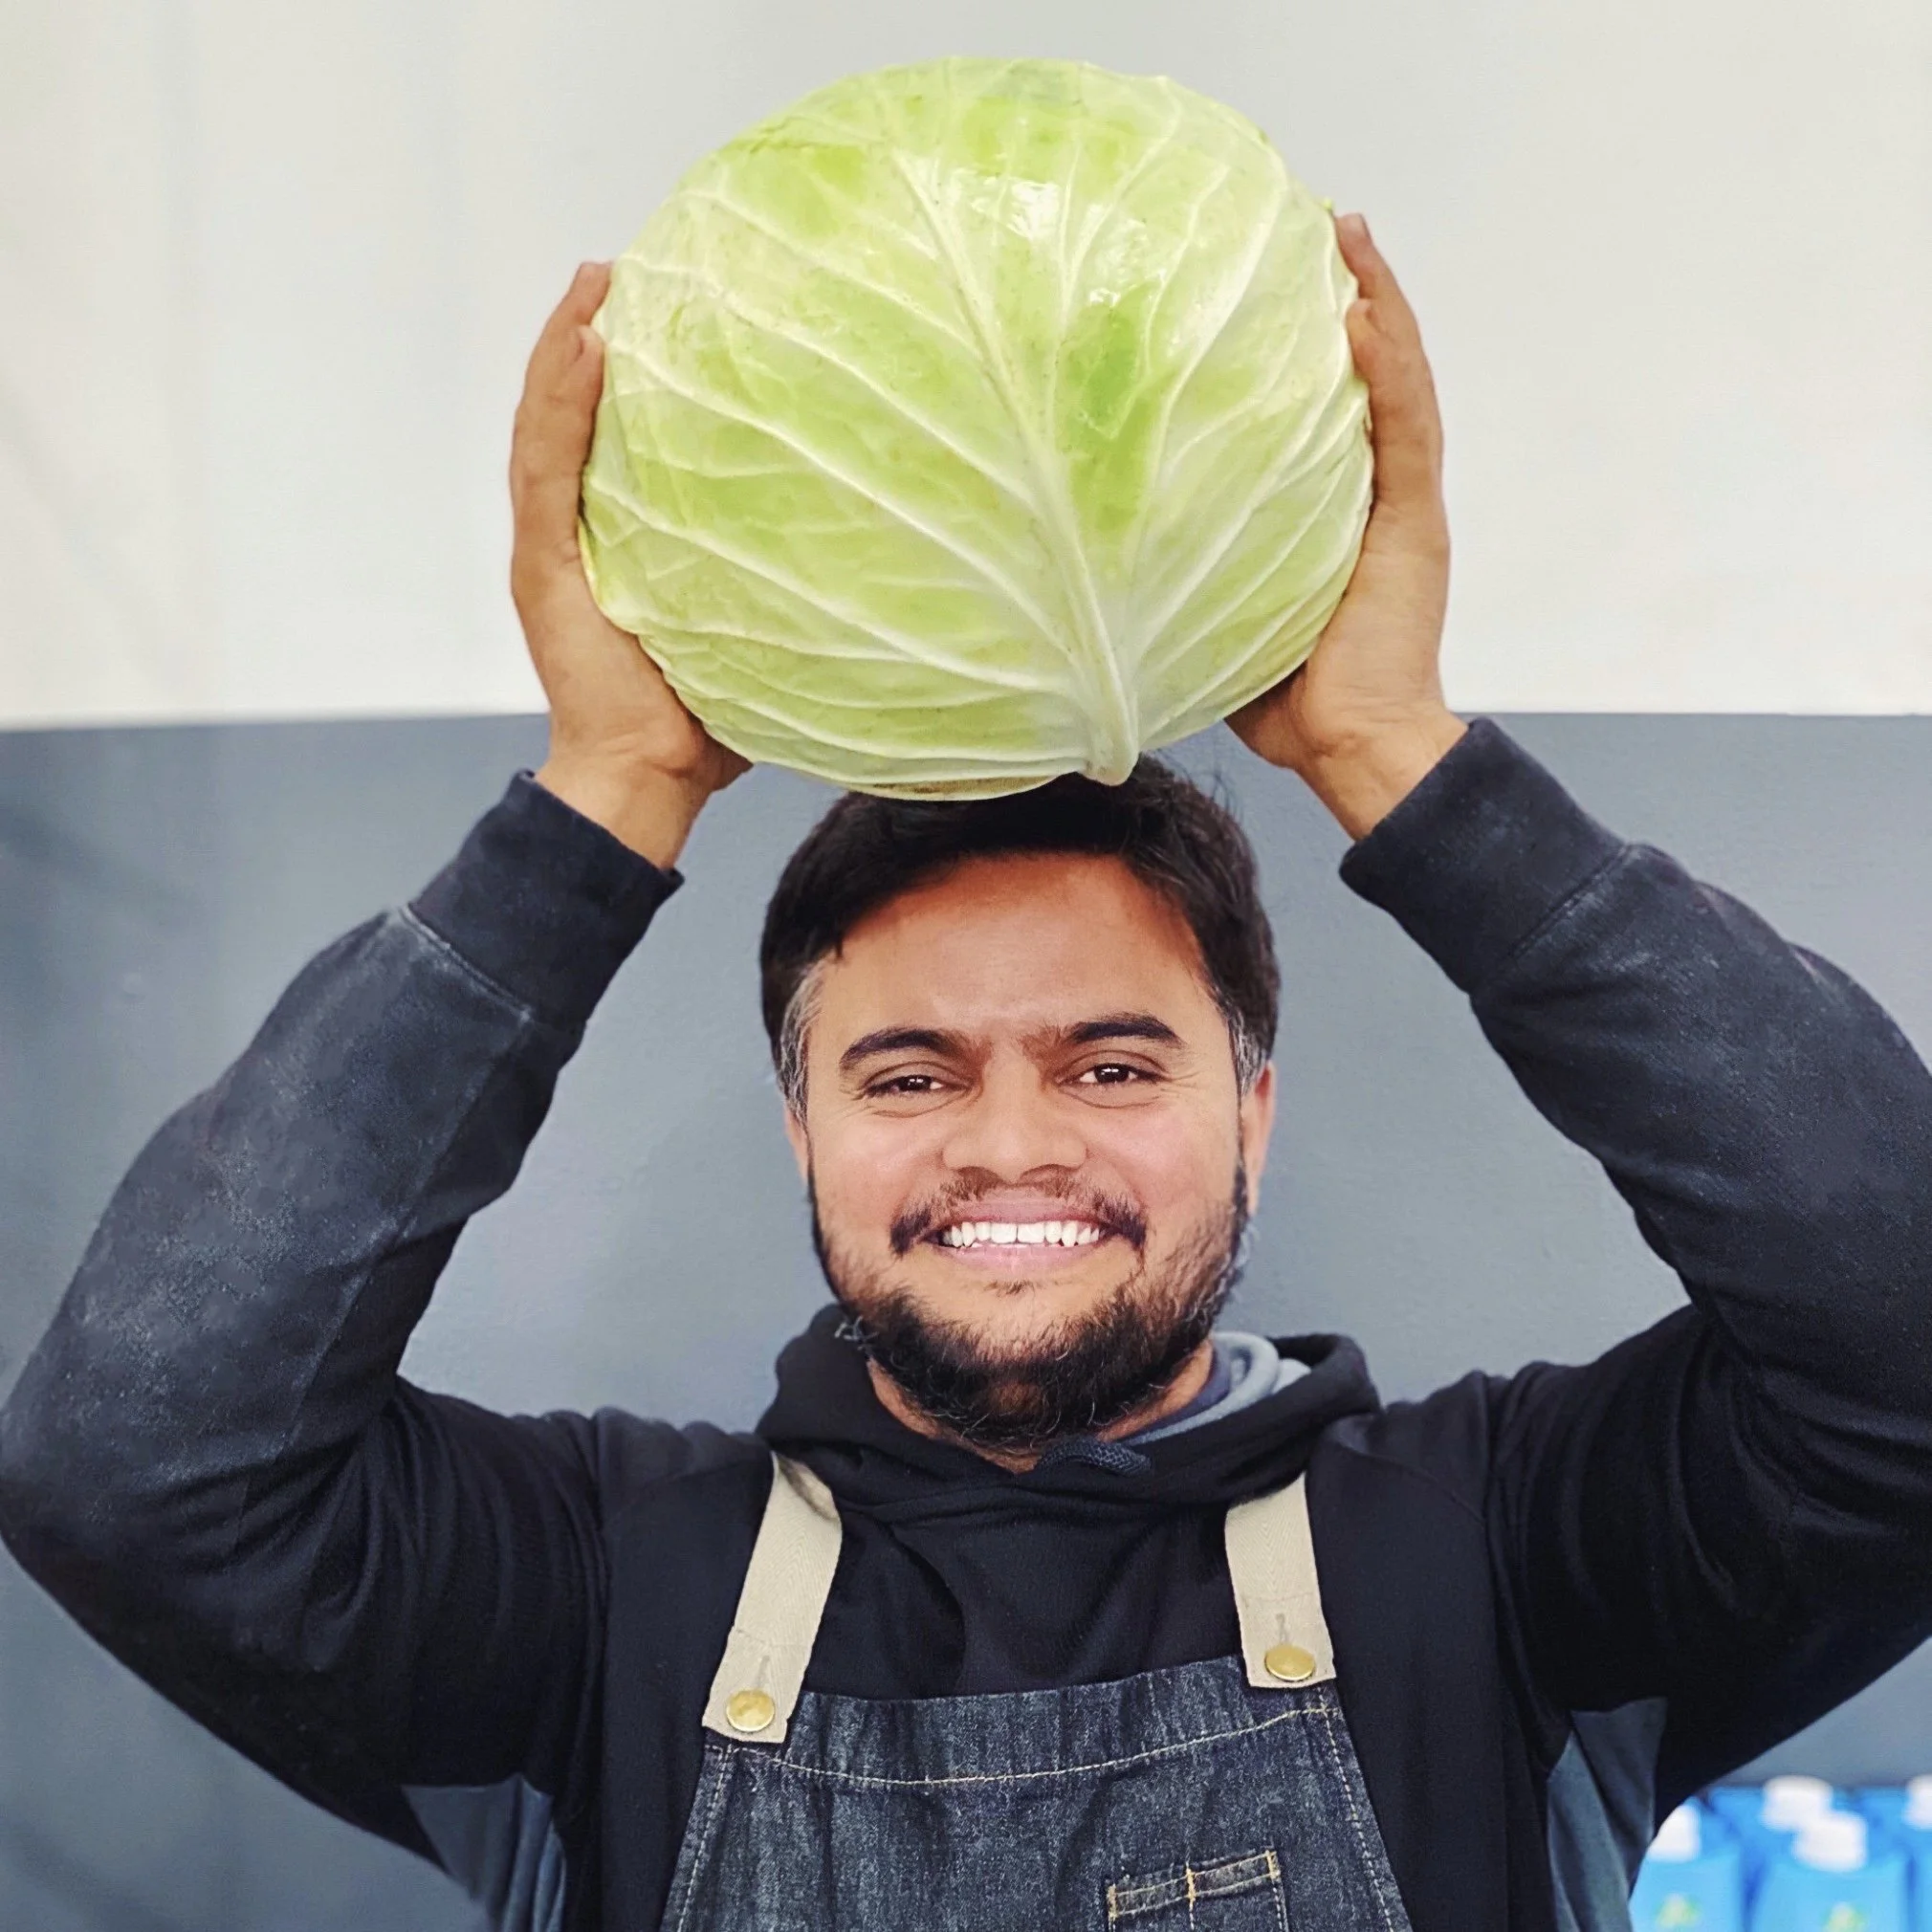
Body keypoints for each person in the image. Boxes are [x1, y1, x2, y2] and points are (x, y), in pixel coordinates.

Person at [3, 212, 1930, 1932]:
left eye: (1108, 1060)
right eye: (907, 1075)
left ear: (1250, 1107)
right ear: (802, 1122)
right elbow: (134, 1458)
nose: (1010, 1145)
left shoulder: (1502, 1551)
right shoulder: (592, 1598)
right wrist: (610, 792)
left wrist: (1394, 753)